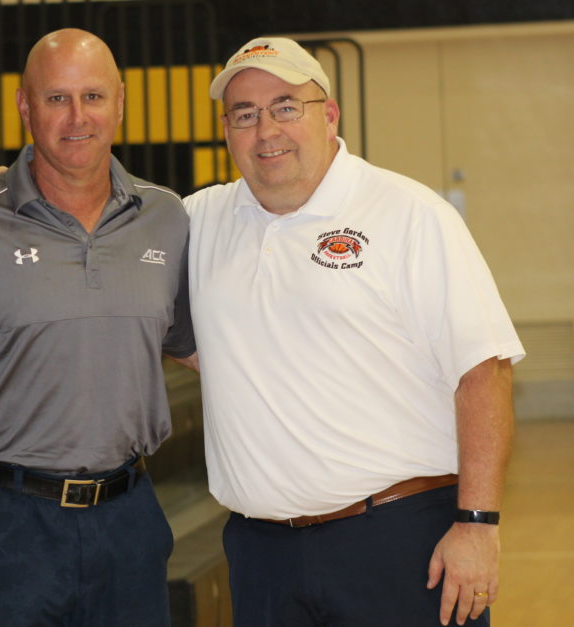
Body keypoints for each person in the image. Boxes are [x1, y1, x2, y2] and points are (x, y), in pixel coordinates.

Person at [185, 37, 525, 627]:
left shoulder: (409, 215)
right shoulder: (198, 221)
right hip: (262, 556)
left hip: (400, 544)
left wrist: (477, 525)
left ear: (330, 113)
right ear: (227, 130)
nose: (266, 130)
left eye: (286, 106)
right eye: (245, 114)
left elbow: (484, 371)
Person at [0, 28, 196, 627]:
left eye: (93, 97)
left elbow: (198, 347)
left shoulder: (168, 218)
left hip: (129, 522)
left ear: (120, 102)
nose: (78, 117)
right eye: (56, 99)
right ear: (25, 106)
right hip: (2, 524)